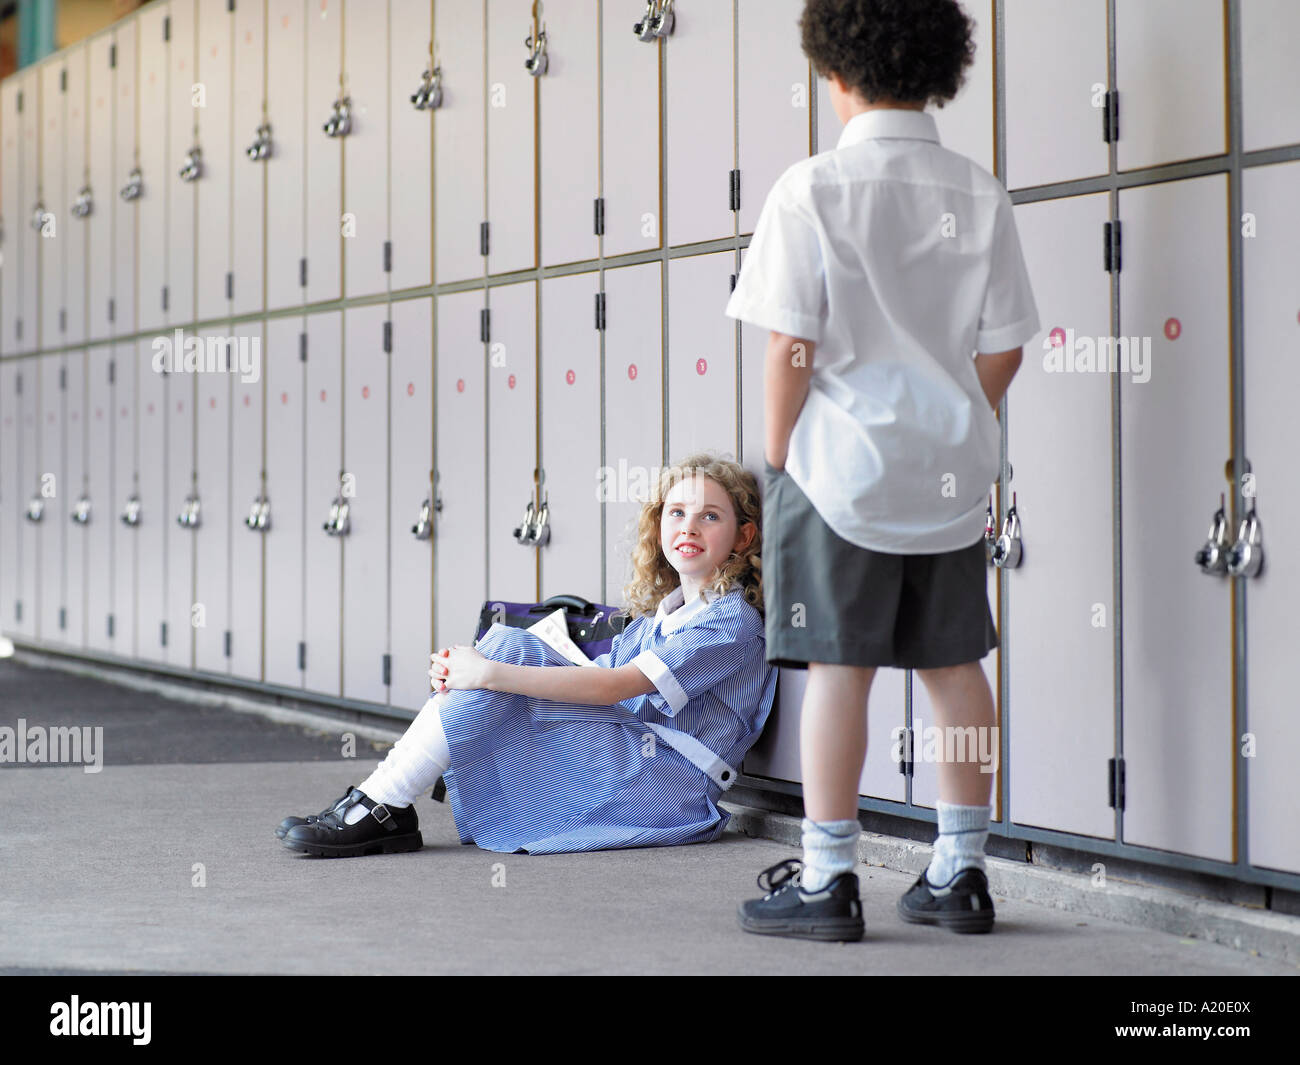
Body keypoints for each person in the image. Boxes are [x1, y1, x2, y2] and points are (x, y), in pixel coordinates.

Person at [724, 0, 1039, 941]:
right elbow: (1007, 348)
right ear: (939, 67)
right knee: (956, 664)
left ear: (836, 72)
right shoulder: (978, 191)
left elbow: (790, 345)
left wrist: (779, 455)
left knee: (840, 669)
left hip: (838, 475)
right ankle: (963, 870)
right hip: (950, 474)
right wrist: (960, 424)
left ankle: (829, 879)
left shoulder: (812, 188)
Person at [276, 453, 778, 857]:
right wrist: (479, 672)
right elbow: (593, 677)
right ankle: (386, 799)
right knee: (503, 651)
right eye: (677, 513)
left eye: (710, 516)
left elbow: (613, 688)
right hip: (641, 759)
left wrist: (492, 674)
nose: (689, 527)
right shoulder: (661, 618)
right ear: (660, 526)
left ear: (743, 537)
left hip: (672, 787)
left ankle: (383, 803)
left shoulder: (731, 622)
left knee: (505, 656)